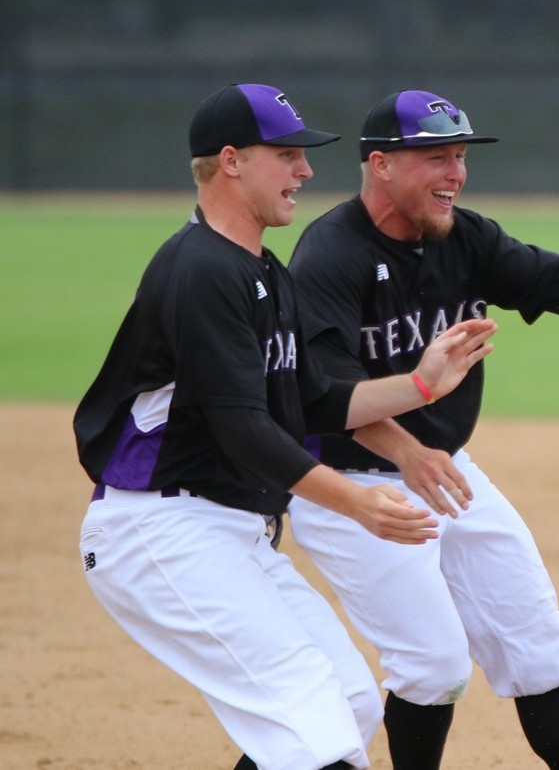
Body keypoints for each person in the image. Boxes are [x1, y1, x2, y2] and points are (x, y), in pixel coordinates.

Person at [74, 82, 496, 770]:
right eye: (289, 153)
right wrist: (356, 500)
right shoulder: (201, 269)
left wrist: (420, 383)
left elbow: (316, 399)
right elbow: (242, 426)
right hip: (162, 530)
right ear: (232, 161)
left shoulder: (261, 270)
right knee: (315, 733)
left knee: (351, 705)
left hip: (228, 530)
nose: (305, 169)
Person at [284, 89, 559, 769]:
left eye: (459, 156)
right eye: (435, 157)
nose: (455, 173)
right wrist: (406, 452)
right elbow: (324, 396)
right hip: (349, 481)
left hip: (443, 468)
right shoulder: (329, 255)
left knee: (538, 646)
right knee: (432, 666)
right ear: (379, 166)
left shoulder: (469, 237)